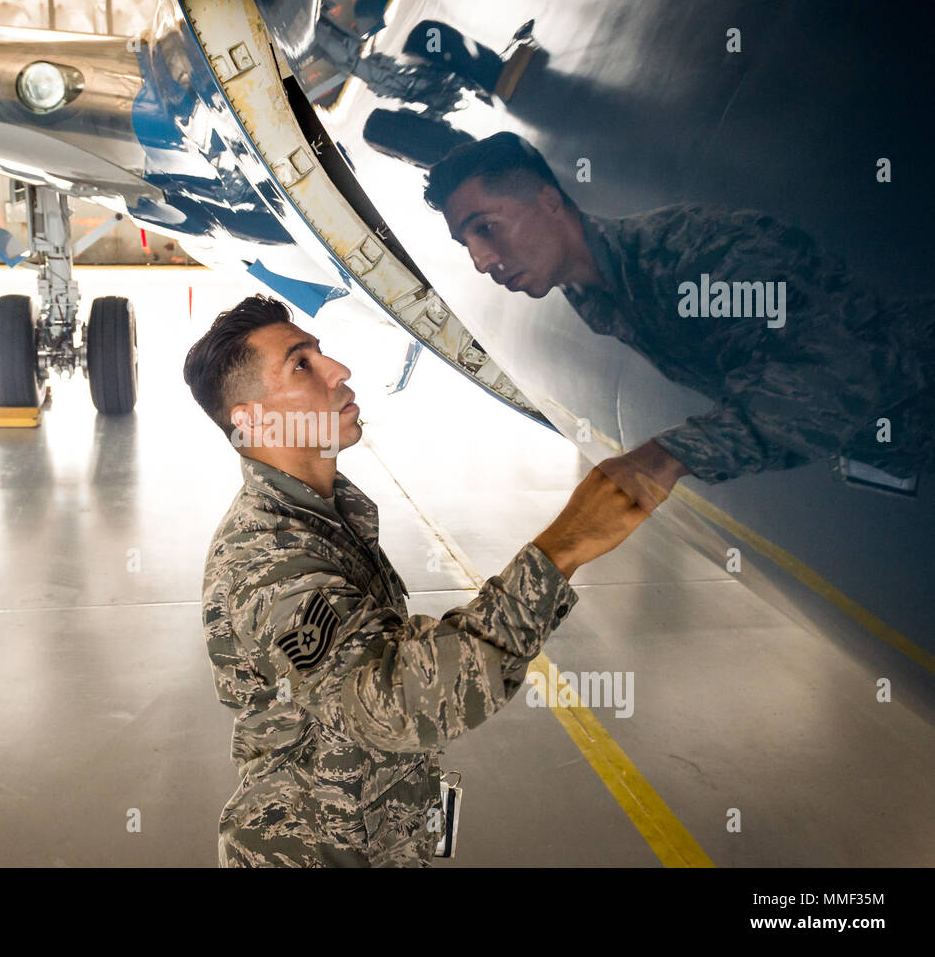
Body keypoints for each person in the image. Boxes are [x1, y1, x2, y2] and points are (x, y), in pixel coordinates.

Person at [183, 293, 649, 866]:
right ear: (250, 418)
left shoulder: (329, 519)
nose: (338, 370)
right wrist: (563, 548)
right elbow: (396, 700)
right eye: (301, 364)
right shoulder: (267, 560)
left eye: (320, 352)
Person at [423, 131, 934, 507]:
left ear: (550, 200)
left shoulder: (698, 258)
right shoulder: (594, 294)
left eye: (486, 228)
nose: (481, 260)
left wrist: (663, 458)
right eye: (465, 242)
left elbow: (826, 381)